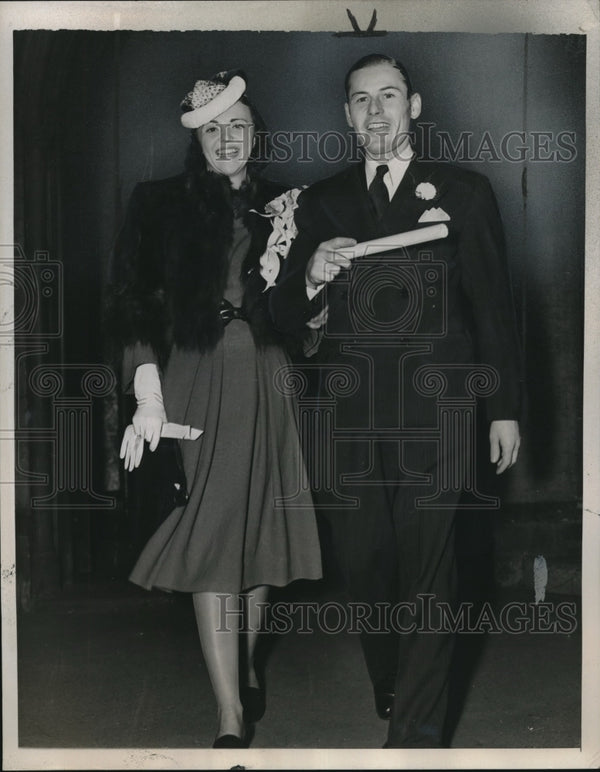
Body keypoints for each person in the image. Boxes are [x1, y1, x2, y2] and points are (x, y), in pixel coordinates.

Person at [269, 53, 522, 748]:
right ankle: (392, 669)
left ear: (414, 107)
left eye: (389, 97)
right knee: (368, 562)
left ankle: (415, 738)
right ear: (346, 116)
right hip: (349, 416)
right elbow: (282, 316)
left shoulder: (465, 193)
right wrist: (313, 277)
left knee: (431, 567)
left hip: (437, 411)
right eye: (360, 100)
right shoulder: (320, 200)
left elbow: (493, 309)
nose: (375, 111)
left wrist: (502, 407)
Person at [109, 69, 322, 749]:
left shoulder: (287, 204)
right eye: (213, 130)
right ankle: (230, 712)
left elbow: (303, 320)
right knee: (210, 541)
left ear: (256, 135)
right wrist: (146, 391)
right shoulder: (157, 202)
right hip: (194, 377)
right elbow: (132, 303)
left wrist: (316, 294)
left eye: (239, 127)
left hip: (268, 376)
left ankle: (247, 664)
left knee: (260, 534)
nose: (227, 139)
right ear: (196, 140)